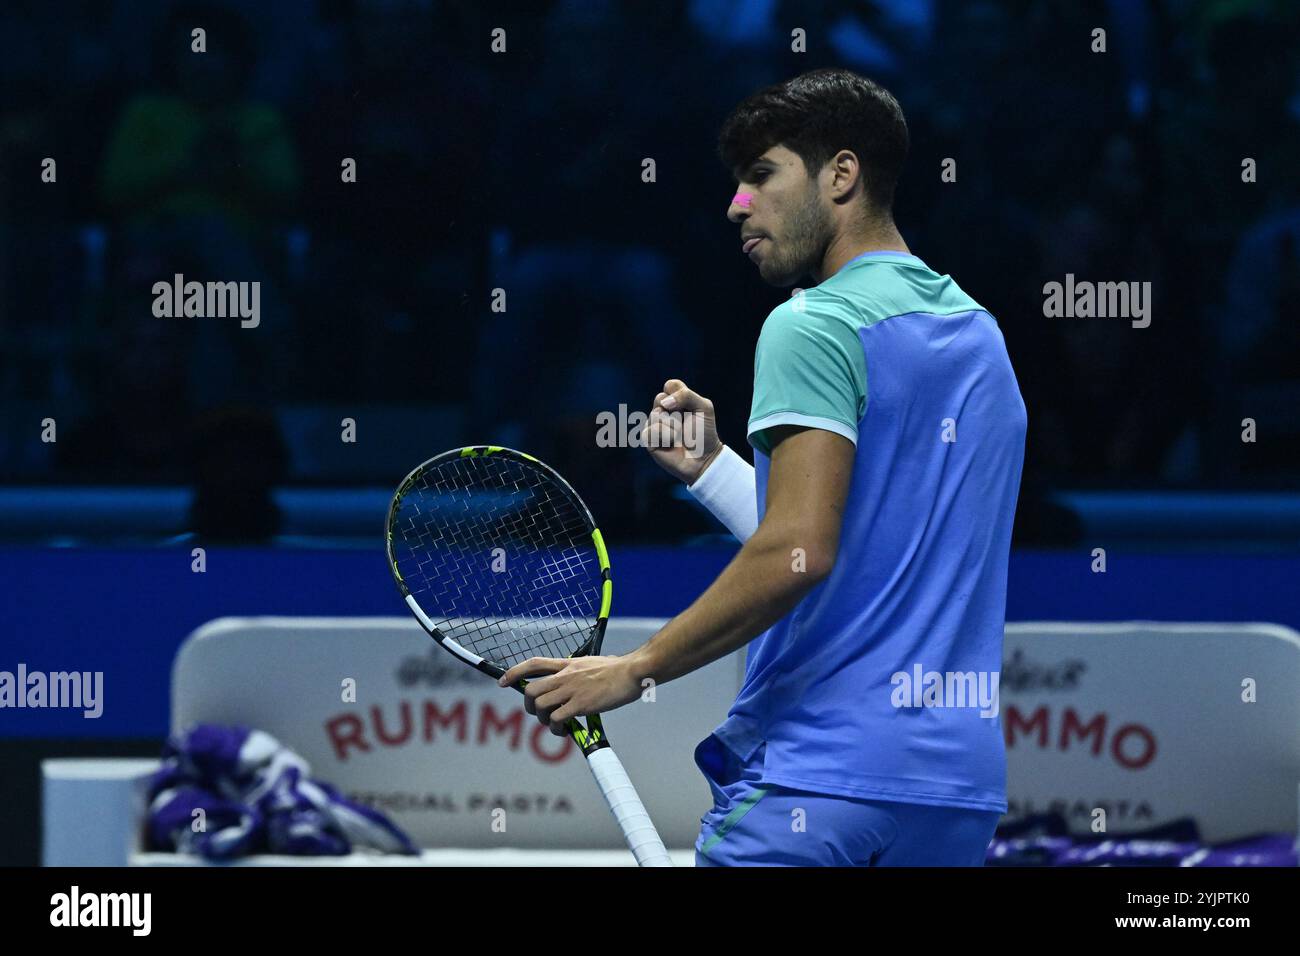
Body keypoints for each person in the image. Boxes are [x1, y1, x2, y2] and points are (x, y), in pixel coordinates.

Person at [500, 68, 1026, 866]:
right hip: (955, 794)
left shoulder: (812, 323)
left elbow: (799, 553)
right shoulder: (979, 334)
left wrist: (636, 670)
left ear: (841, 174)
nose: (736, 205)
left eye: (760, 176)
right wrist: (713, 470)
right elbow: (856, 545)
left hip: (819, 779)